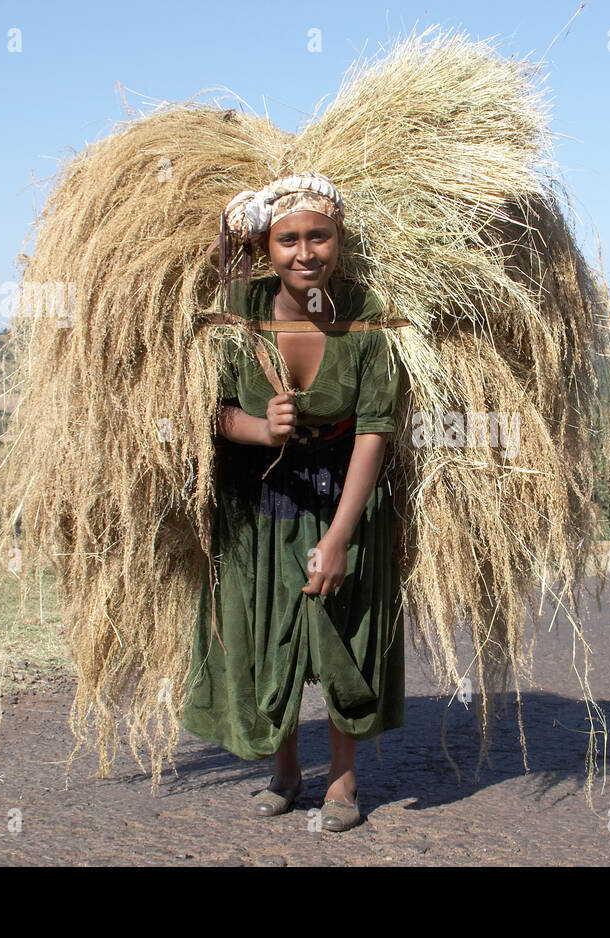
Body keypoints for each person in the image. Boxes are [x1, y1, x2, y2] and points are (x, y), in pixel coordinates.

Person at [182, 173, 405, 833]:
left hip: (346, 493)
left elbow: (375, 431)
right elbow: (201, 407)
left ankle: (342, 784)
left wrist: (339, 537)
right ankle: (283, 773)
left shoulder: (368, 313)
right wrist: (257, 429)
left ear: (339, 240)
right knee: (265, 630)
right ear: (266, 247)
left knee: (343, 633)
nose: (305, 253)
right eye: (287, 239)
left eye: (319, 236)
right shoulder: (237, 309)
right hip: (259, 501)